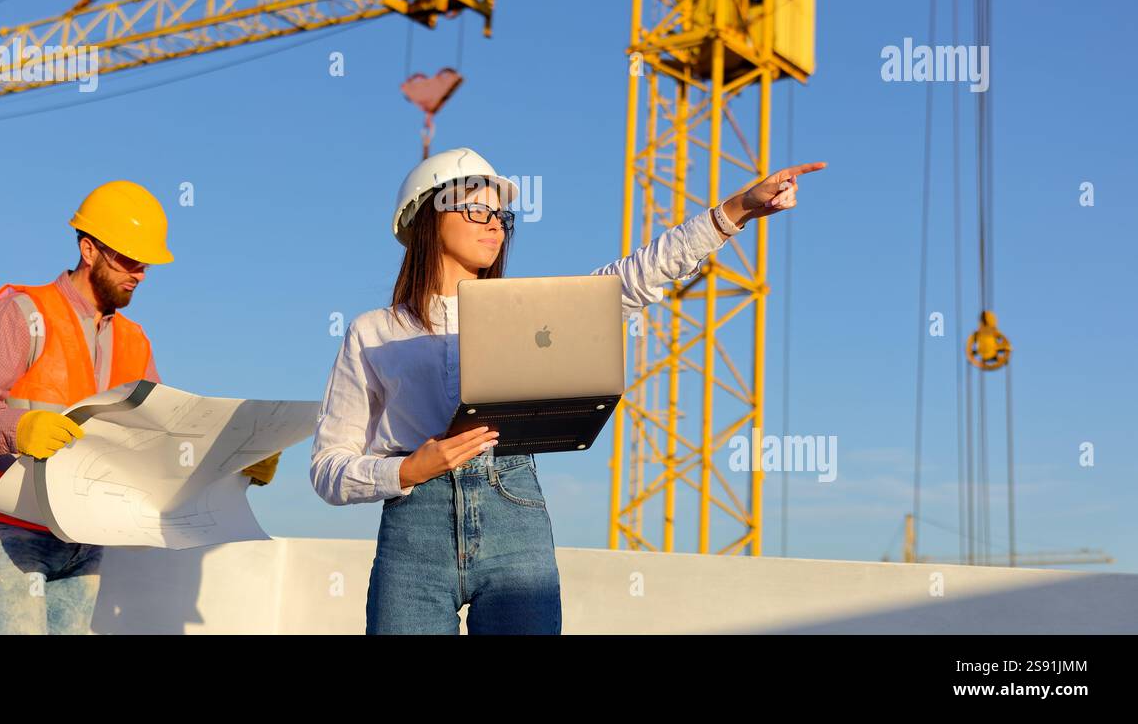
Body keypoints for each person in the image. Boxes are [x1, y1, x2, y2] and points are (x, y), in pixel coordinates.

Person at [310, 146, 824, 634]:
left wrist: (734, 210)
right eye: (476, 211)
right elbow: (327, 467)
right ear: (427, 217)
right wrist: (406, 469)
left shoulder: (527, 313)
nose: (495, 224)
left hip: (514, 513)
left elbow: (632, 280)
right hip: (413, 530)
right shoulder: (371, 332)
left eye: (501, 217)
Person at [0, 180, 279, 634]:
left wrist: (235, 464)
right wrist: (17, 428)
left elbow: (159, 446)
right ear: (88, 249)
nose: (138, 272)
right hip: (6, 530)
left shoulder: (135, 343)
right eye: (127, 258)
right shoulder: (24, 314)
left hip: (84, 538)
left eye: (145, 264)